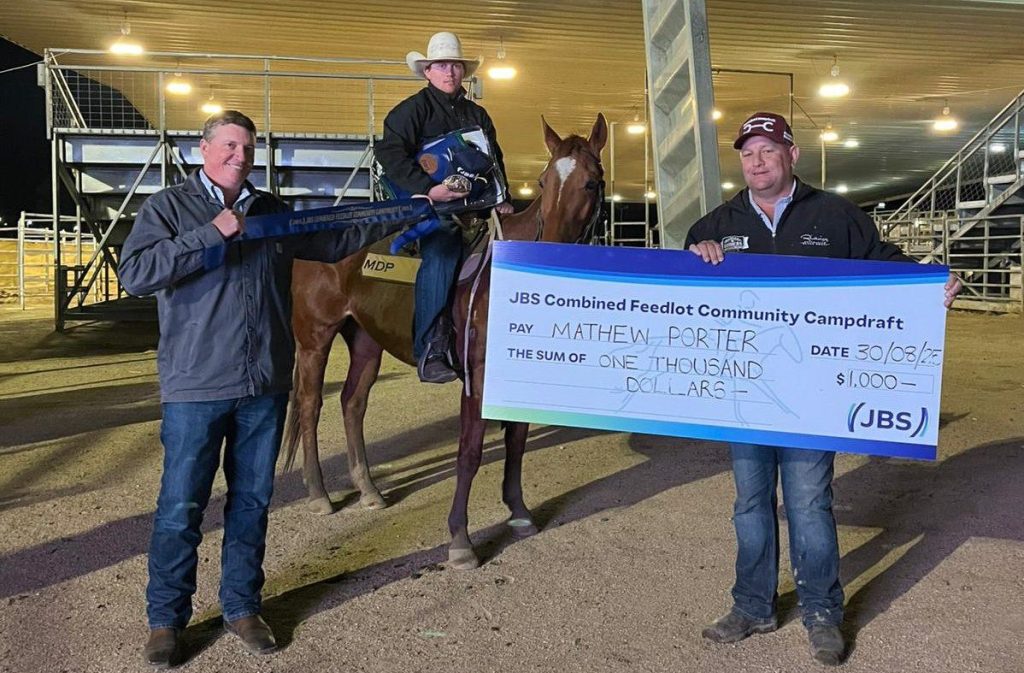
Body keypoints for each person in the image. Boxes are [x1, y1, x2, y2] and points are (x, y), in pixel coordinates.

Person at [118, 110, 412, 668]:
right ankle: (166, 619)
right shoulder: (168, 208)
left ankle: (242, 606)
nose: (239, 156)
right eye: (229, 145)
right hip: (196, 386)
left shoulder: (270, 211)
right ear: (202, 149)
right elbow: (136, 274)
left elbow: (337, 234)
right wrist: (212, 233)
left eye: (247, 148)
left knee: (252, 502)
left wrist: (420, 205)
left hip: (263, 384)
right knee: (181, 505)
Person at [687, 111, 961, 666]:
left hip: (815, 394)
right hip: (745, 394)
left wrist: (933, 280)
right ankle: (752, 604)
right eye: (747, 153)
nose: (756, 162)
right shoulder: (716, 223)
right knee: (750, 502)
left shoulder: (836, 216)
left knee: (809, 501)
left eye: (767, 150)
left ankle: (821, 610)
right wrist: (694, 257)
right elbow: (682, 293)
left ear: (792, 154)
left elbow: (886, 267)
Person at [375, 31, 513, 384]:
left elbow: (494, 160)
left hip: (478, 208)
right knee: (443, 249)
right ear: (428, 71)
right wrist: (429, 190)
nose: (448, 71)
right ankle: (430, 346)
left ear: (462, 71)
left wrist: (503, 198)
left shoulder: (478, 115)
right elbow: (390, 155)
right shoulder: (409, 112)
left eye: (454, 65)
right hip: (428, 209)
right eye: (440, 65)